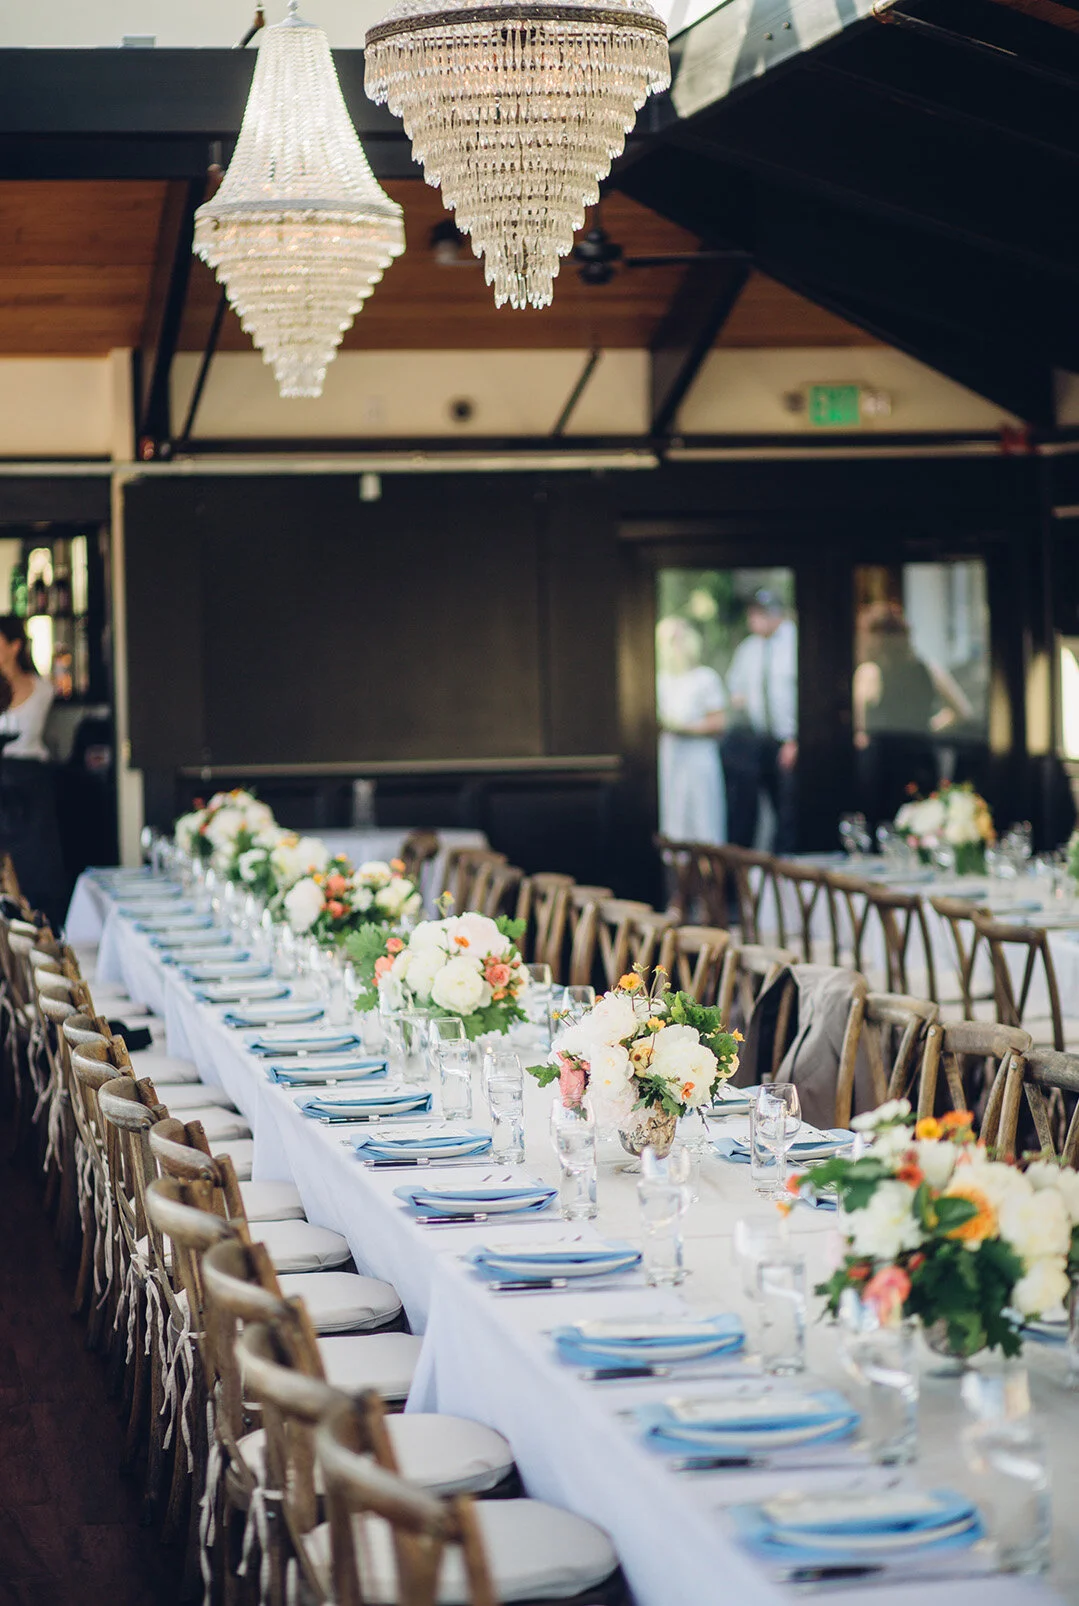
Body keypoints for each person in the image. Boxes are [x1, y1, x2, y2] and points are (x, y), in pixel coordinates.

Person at [852, 603, 974, 820]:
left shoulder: (869, 673)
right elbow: (962, 711)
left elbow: (860, 728)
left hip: (884, 763)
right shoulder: (928, 669)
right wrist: (927, 726)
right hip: (918, 756)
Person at [0, 617, 66, 926]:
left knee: (36, 864)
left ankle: (42, 928)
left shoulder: (42, 690)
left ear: (14, 646)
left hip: (31, 783)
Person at [724, 589, 798, 852]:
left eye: (758, 613)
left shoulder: (795, 643)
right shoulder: (749, 649)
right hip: (758, 740)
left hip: (789, 740)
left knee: (788, 812)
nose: (753, 619)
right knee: (748, 812)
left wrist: (795, 739)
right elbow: (736, 689)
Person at [655, 615, 728, 844]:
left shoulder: (705, 678)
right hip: (671, 759)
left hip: (698, 759)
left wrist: (684, 728)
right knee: (674, 821)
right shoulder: (660, 680)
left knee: (704, 821)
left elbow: (718, 723)